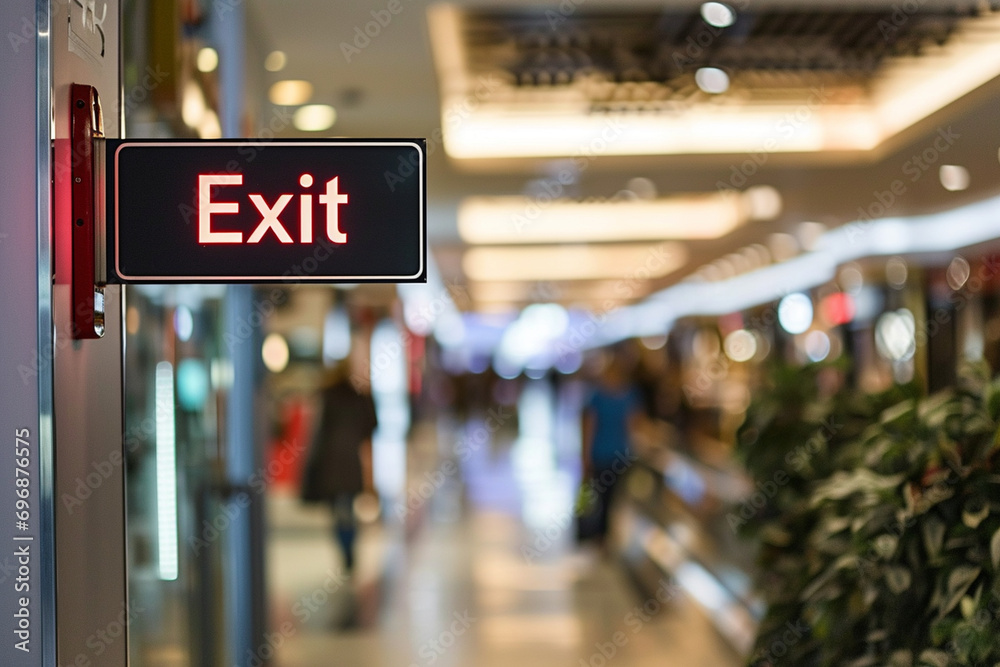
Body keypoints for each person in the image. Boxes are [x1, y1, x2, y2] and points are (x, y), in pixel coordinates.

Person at [301, 362, 377, 574]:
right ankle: (348, 552)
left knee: (339, 513)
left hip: (330, 464)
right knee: (346, 510)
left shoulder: (327, 397)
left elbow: (317, 434)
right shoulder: (359, 397)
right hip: (351, 462)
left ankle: (347, 553)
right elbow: (371, 427)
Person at [580, 350, 644, 547]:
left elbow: (589, 427)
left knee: (601, 495)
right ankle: (604, 534)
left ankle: (600, 534)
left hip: (600, 453)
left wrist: (585, 455)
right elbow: (634, 425)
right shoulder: (629, 395)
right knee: (612, 496)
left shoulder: (598, 396)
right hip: (620, 454)